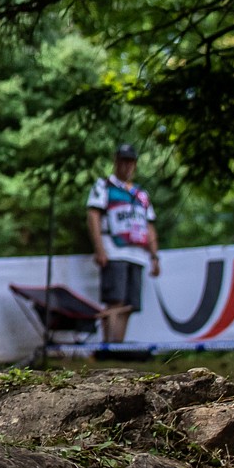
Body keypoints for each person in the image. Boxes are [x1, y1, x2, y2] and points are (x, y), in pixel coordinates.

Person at [85, 142, 160, 345]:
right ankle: (107, 346)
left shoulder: (141, 194)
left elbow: (150, 225)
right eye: (123, 161)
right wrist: (99, 248)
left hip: (138, 254)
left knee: (129, 304)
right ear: (116, 162)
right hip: (113, 251)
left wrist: (154, 256)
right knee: (114, 300)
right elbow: (93, 215)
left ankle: (117, 346)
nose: (126, 166)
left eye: (130, 162)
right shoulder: (104, 186)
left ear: (135, 164)